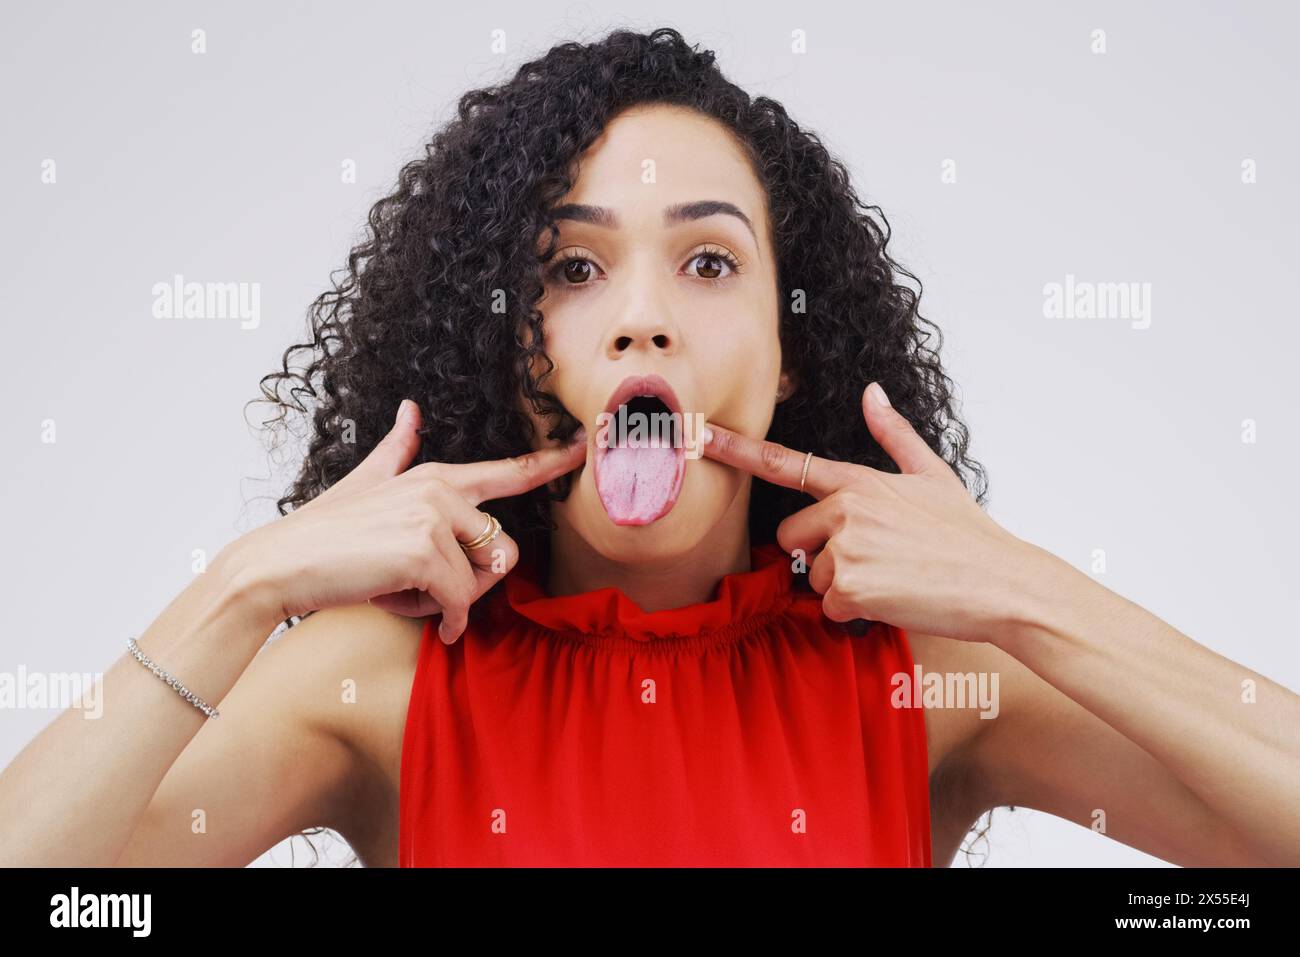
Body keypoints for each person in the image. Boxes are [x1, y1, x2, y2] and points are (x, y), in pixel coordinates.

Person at [2, 27, 1296, 868]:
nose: (640, 317)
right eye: (571, 266)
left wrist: (1027, 588)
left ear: (792, 348)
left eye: (709, 259)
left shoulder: (927, 676)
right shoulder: (384, 682)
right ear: (502, 337)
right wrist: (245, 584)